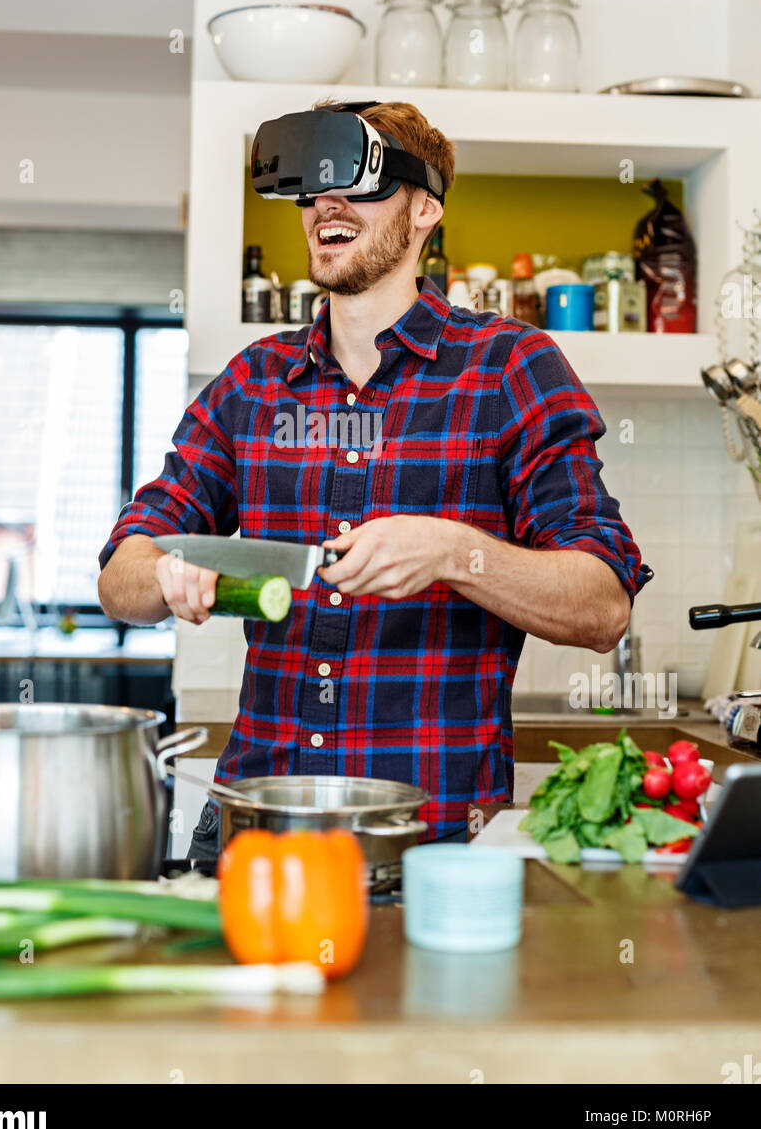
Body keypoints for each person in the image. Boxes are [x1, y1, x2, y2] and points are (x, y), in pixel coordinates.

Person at [97, 98, 651, 868]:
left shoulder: (509, 369)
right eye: (312, 192)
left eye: (356, 184)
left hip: (433, 844)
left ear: (425, 207)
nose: (326, 205)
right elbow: (120, 578)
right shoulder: (253, 385)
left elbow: (603, 606)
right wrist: (164, 574)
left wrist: (456, 553)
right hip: (255, 833)